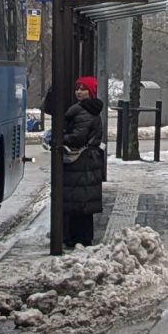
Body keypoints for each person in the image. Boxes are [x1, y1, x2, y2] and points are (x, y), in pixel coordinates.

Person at [60, 75, 108, 247]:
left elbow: (78, 137)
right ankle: (81, 237)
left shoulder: (83, 111)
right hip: (89, 160)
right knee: (84, 201)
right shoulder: (90, 109)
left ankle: (77, 238)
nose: (79, 92)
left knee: (77, 200)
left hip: (81, 161)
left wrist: (60, 137)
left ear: (91, 92)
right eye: (78, 88)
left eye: (83, 89)